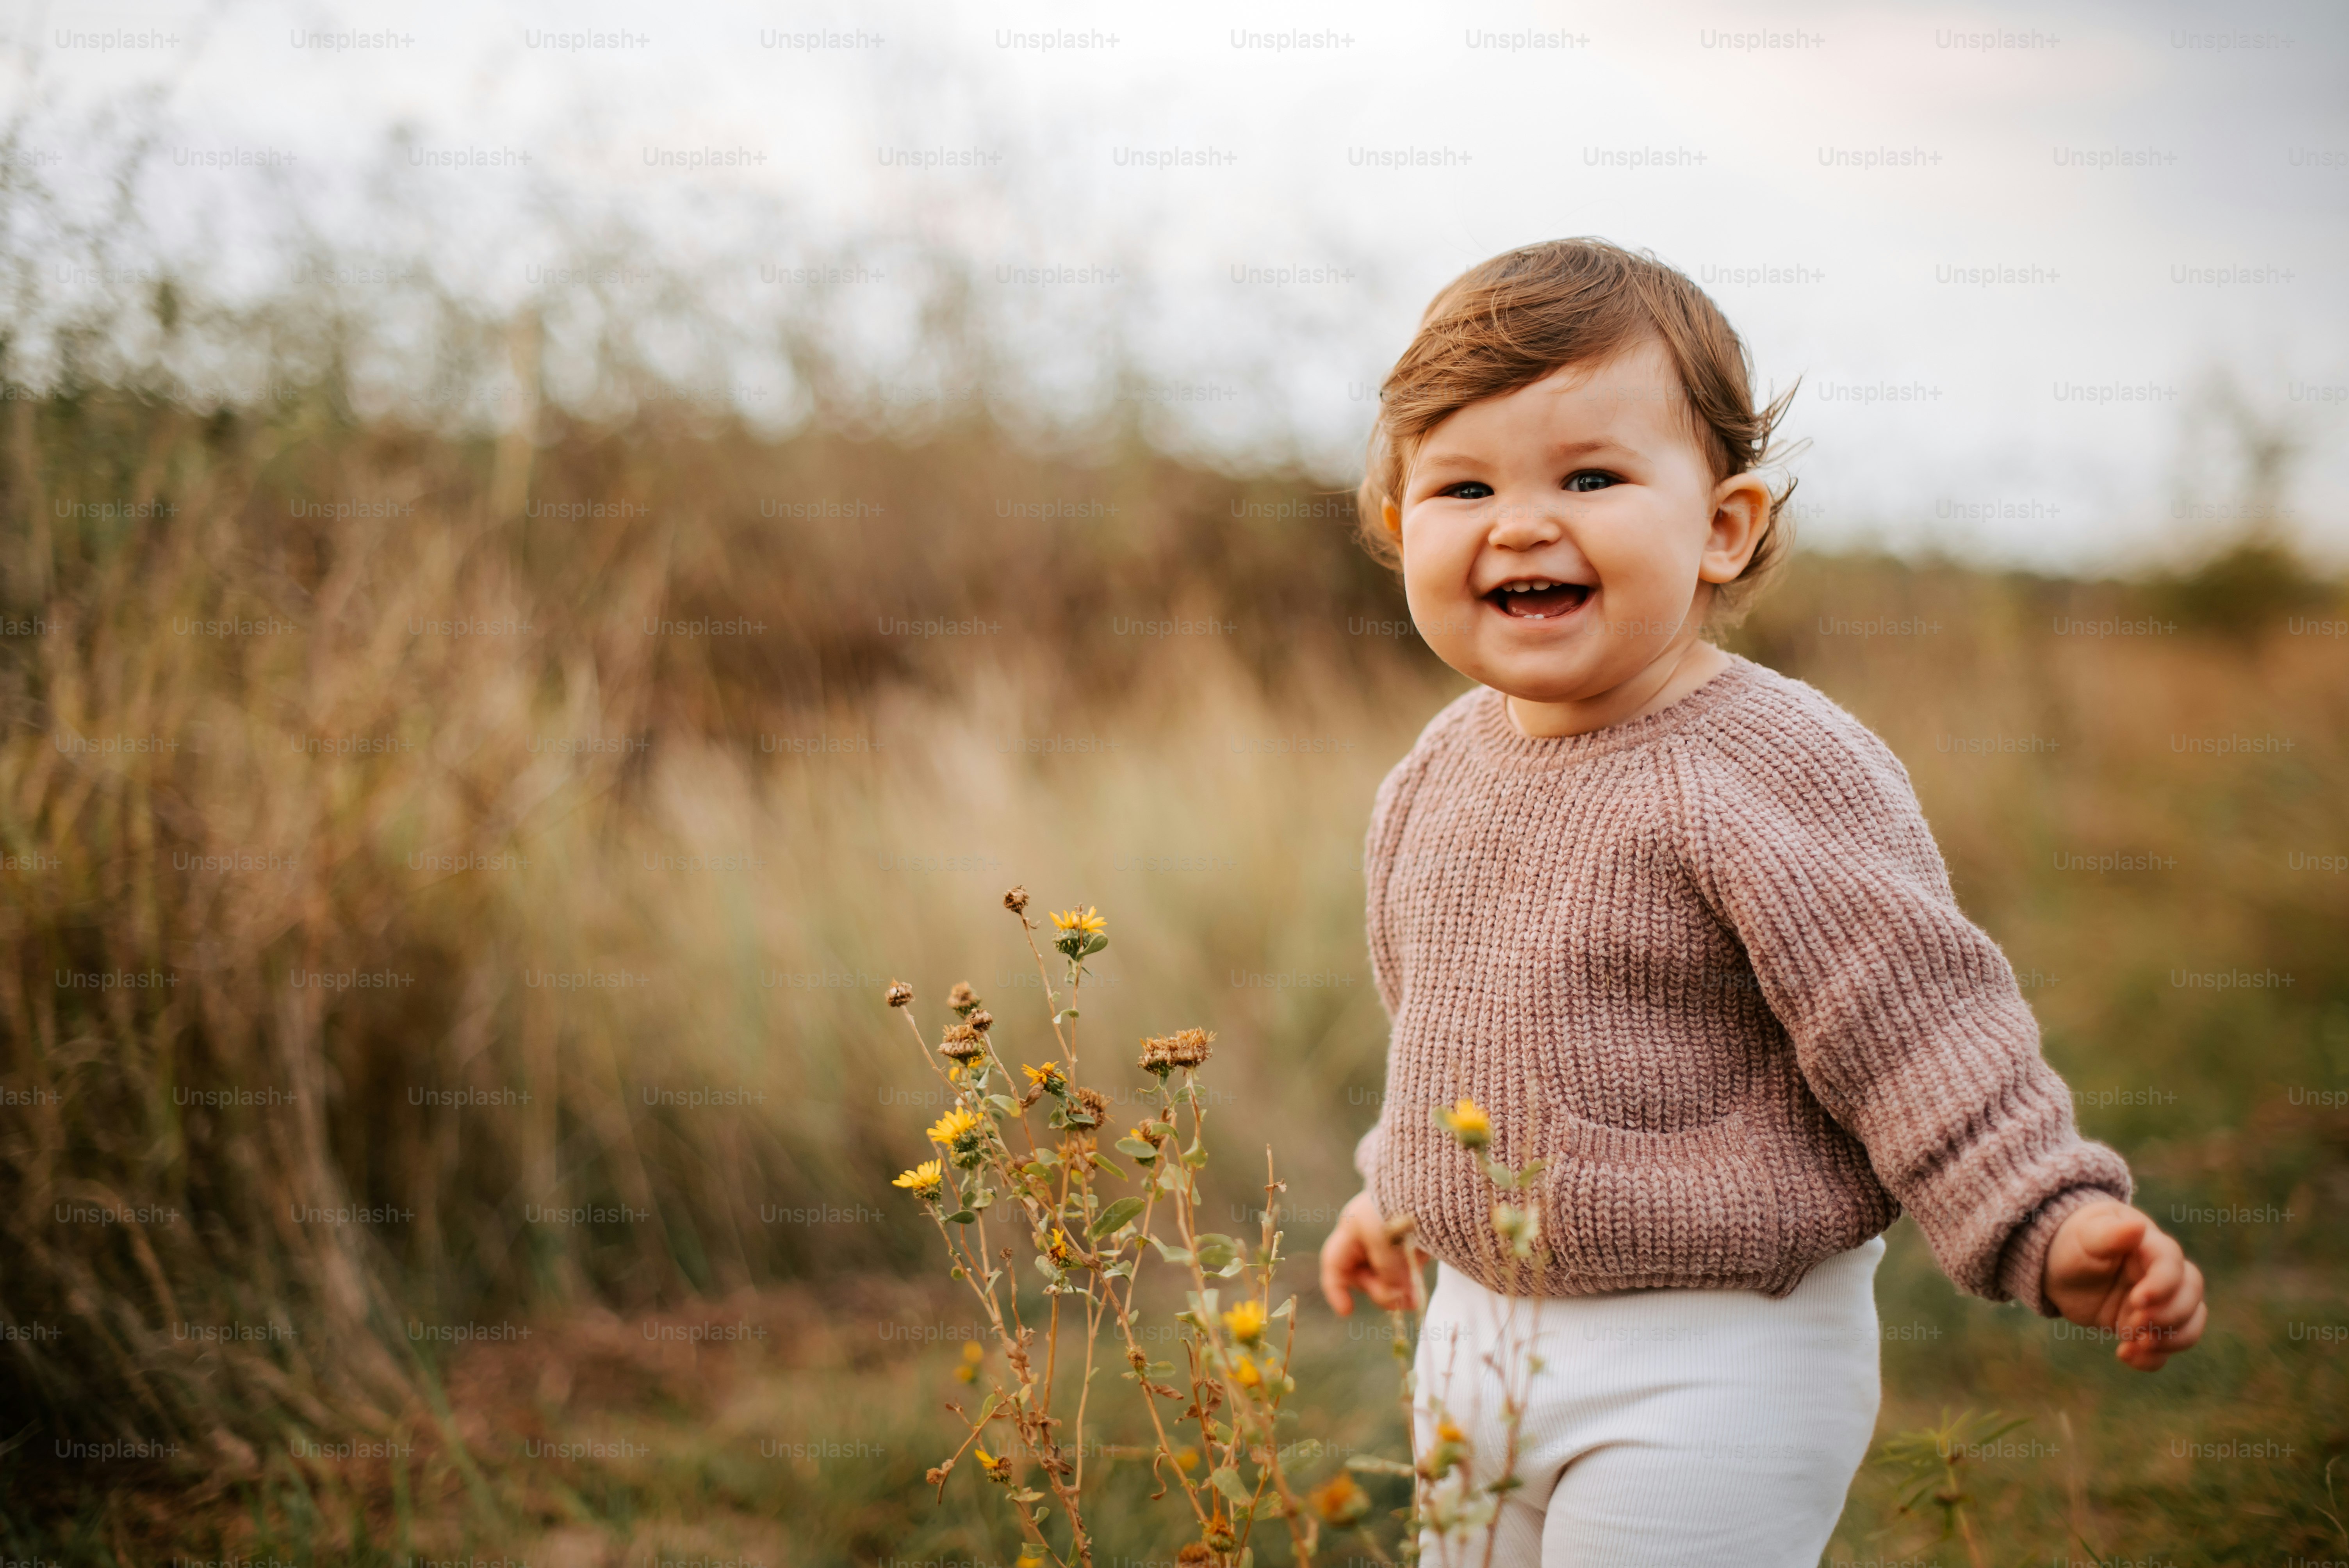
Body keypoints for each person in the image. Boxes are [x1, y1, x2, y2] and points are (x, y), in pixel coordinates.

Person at [1316, 238, 2207, 1566]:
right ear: (1401, 531)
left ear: (1724, 528)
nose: (1518, 521)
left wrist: (2044, 1213)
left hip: (1716, 1355)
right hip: (1474, 1337)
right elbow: (1450, 1025)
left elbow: (1915, 1030)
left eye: (1592, 476)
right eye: (1462, 486)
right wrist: (1397, 1186)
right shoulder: (1439, 769)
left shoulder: (1770, 767)